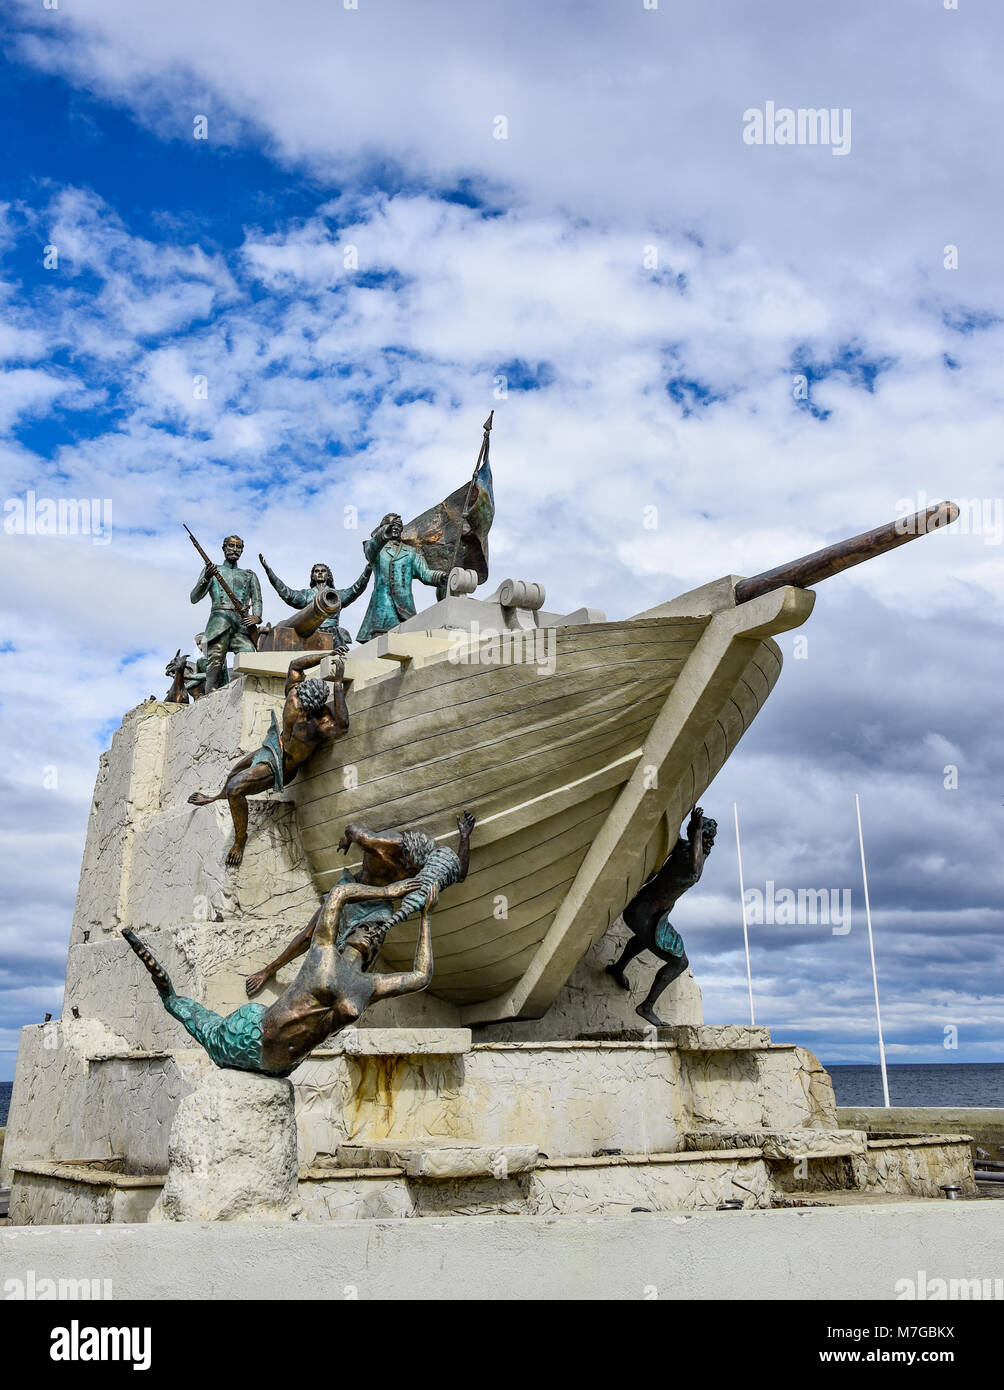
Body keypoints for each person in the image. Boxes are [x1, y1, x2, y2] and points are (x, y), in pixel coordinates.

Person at [121, 875, 434, 1077]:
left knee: (205, 1026)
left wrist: (425, 916)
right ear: (348, 932)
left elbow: (421, 975)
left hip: (284, 1065)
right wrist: (387, 890)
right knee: (200, 1022)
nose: (371, 935)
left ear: (376, 952)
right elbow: (339, 893)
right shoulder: (323, 951)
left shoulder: (369, 986)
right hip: (251, 1036)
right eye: (365, 927)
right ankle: (168, 993)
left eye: (378, 936)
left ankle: (171, 997)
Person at [245, 812, 476, 997]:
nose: (414, 874)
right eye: (412, 868)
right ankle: (268, 970)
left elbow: (459, 874)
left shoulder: (426, 864)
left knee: (366, 948)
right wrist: (347, 839)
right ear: (405, 856)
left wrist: (464, 838)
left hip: (379, 906)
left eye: (417, 870)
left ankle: (346, 994)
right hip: (354, 891)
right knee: (309, 935)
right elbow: (353, 829)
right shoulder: (384, 844)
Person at [187, 652, 348, 867]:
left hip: (283, 767)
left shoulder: (321, 723)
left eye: (304, 709)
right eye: (298, 702)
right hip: (273, 746)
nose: (298, 708)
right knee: (235, 771)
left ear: (315, 710)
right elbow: (295, 665)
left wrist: (338, 684)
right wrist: (327, 655)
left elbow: (343, 726)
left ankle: (240, 841)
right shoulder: (294, 692)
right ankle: (216, 797)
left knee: (236, 788)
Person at [606, 806, 718, 1026]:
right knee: (680, 962)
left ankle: (617, 968)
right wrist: (695, 830)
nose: (711, 843)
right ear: (702, 838)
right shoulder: (693, 863)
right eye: (708, 838)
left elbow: (673, 837)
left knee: (645, 940)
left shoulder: (683, 849)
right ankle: (646, 1006)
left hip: (643, 911)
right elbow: (695, 869)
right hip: (646, 915)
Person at [355, 513, 448, 643]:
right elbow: (371, 549)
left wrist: (441, 576)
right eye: (391, 525)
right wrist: (383, 532)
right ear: (383, 527)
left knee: (408, 646)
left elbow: (425, 574)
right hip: (382, 609)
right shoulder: (376, 548)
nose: (395, 528)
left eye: (398, 525)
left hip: (406, 608)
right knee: (379, 648)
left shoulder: (412, 552)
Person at [189, 535, 262, 693]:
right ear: (224, 548)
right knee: (215, 661)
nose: (235, 550)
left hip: (242, 624)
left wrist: (257, 617)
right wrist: (206, 577)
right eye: (231, 546)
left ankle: (249, 691)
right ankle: (211, 694)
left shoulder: (249, 575)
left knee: (249, 654)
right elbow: (194, 597)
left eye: (238, 547)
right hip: (219, 622)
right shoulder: (213, 571)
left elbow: (257, 600)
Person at [258, 554, 371, 648]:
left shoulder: (337, 595)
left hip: (334, 636)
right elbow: (287, 594)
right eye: (317, 571)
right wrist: (269, 572)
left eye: (323, 571)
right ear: (313, 576)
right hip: (312, 635)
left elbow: (356, 589)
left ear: (328, 575)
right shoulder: (307, 595)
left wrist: (367, 571)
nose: (320, 573)